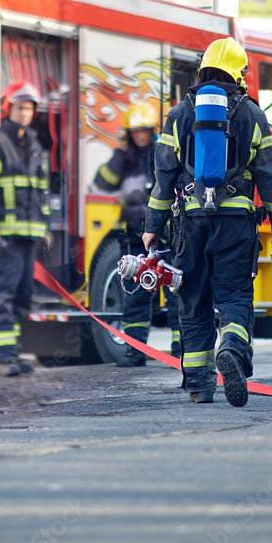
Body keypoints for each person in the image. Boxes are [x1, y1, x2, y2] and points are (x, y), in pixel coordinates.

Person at [141, 37, 272, 406]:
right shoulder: (251, 113)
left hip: (190, 224)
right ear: (238, 74)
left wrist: (152, 225)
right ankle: (232, 347)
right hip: (235, 225)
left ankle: (198, 384)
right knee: (235, 295)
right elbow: (269, 178)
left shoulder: (180, 113)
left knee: (193, 298)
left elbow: (164, 175)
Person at [0, 80, 51, 377]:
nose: (24, 113)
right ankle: (2, 358)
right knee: (1, 295)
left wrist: (45, 228)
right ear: (7, 108)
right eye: (19, 107)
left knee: (21, 296)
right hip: (2, 238)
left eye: (29, 108)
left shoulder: (33, 144)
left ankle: (12, 354)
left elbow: (40, 190)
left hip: (28, 236)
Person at [92, 101, 181, 366]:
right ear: (129, 133)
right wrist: (120, 154)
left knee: (177, 291)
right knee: (135, 292)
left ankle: (182, 349)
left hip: (167, 234)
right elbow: (102, 182)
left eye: (144, 129)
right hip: (134, 236)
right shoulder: (124, 159)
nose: (141, 135)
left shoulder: (162, 153)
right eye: (135, 131)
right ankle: (134, 350)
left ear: (151, 129)